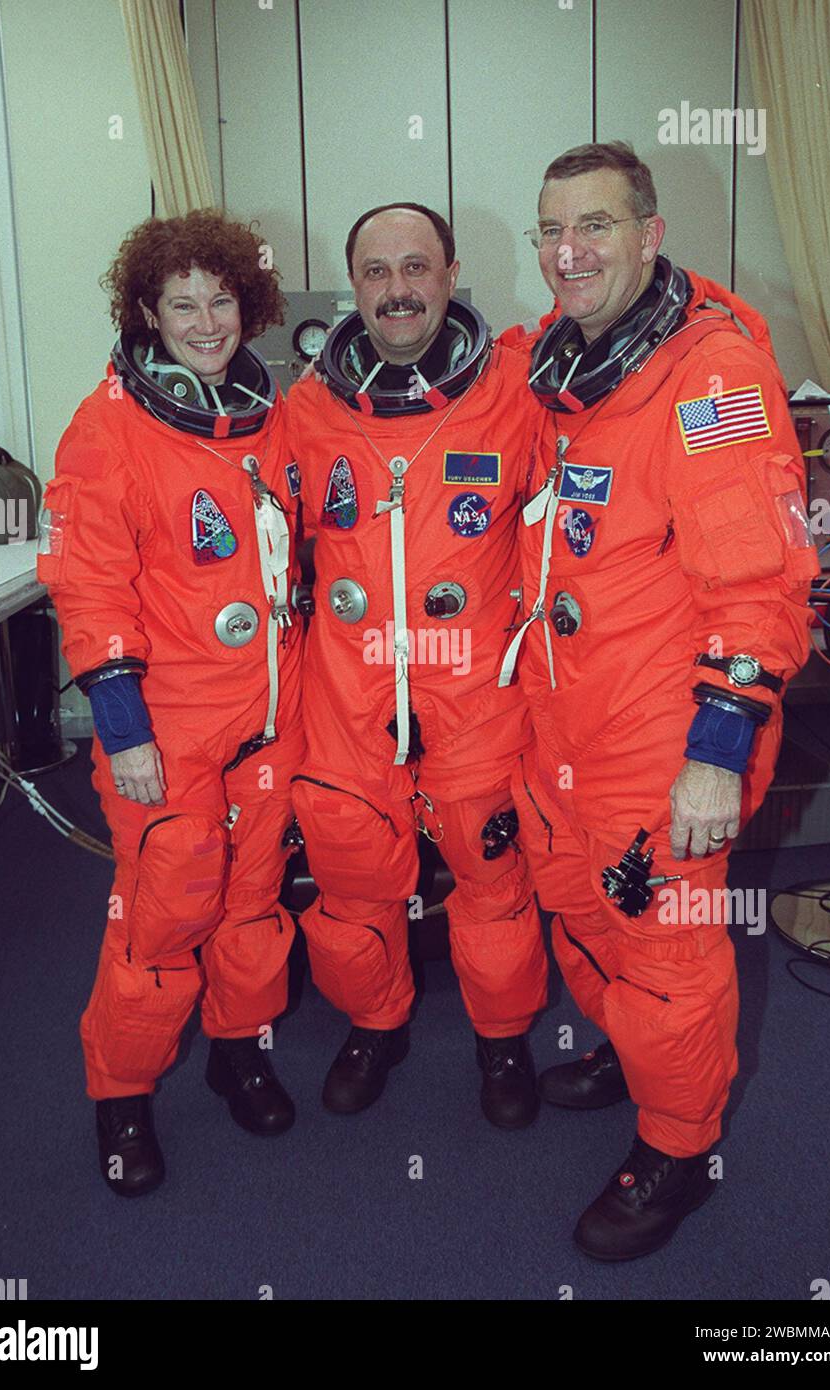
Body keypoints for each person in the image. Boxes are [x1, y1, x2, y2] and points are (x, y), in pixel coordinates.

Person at [499, 143, 817, 1256]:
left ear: (650, 233)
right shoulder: (560, 365)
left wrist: (715, 751)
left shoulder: (708, 377)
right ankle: (624, 1048)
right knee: (583, 909)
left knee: (668, 948)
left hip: (664, 735)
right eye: (548, 229)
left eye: (592, 226)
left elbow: (763, 582)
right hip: (563, 719)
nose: (566, 251)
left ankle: (677, 1150)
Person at [37, 210, 306, 1197]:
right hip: (165, 732)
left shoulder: (269, 418)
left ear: (249, 303)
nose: (205, 320)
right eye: (181, 303)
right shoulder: (106, 426)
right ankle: (122, 1093)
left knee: (251, 909)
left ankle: (236, 1051)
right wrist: (123, 730)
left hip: (268, 721)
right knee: (160, 920)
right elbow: (87, 586)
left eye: (221, 298)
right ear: (146, 311)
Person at [284, 203, 547, 1127]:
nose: (397, 291)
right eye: (375, 273)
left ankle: (504, 1038)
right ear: (351, 285)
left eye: (416, 268)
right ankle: (374, 1021)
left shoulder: (517, 393)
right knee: (353, 880)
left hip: (471, 690)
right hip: (350, 691)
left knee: (492, 880)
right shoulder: (305, 411)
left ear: (449, 273)